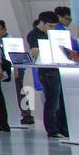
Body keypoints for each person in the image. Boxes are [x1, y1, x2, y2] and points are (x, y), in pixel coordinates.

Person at [28, 11, 69, 139]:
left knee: (61, 102)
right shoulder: (34, 34)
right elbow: (36, 53)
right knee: (52, 102)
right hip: (47, 72)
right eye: (50, 26)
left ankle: (63, 129)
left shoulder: (53, 34)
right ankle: (52, 130)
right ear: (43, 23)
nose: (52, 29)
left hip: (58, 69)